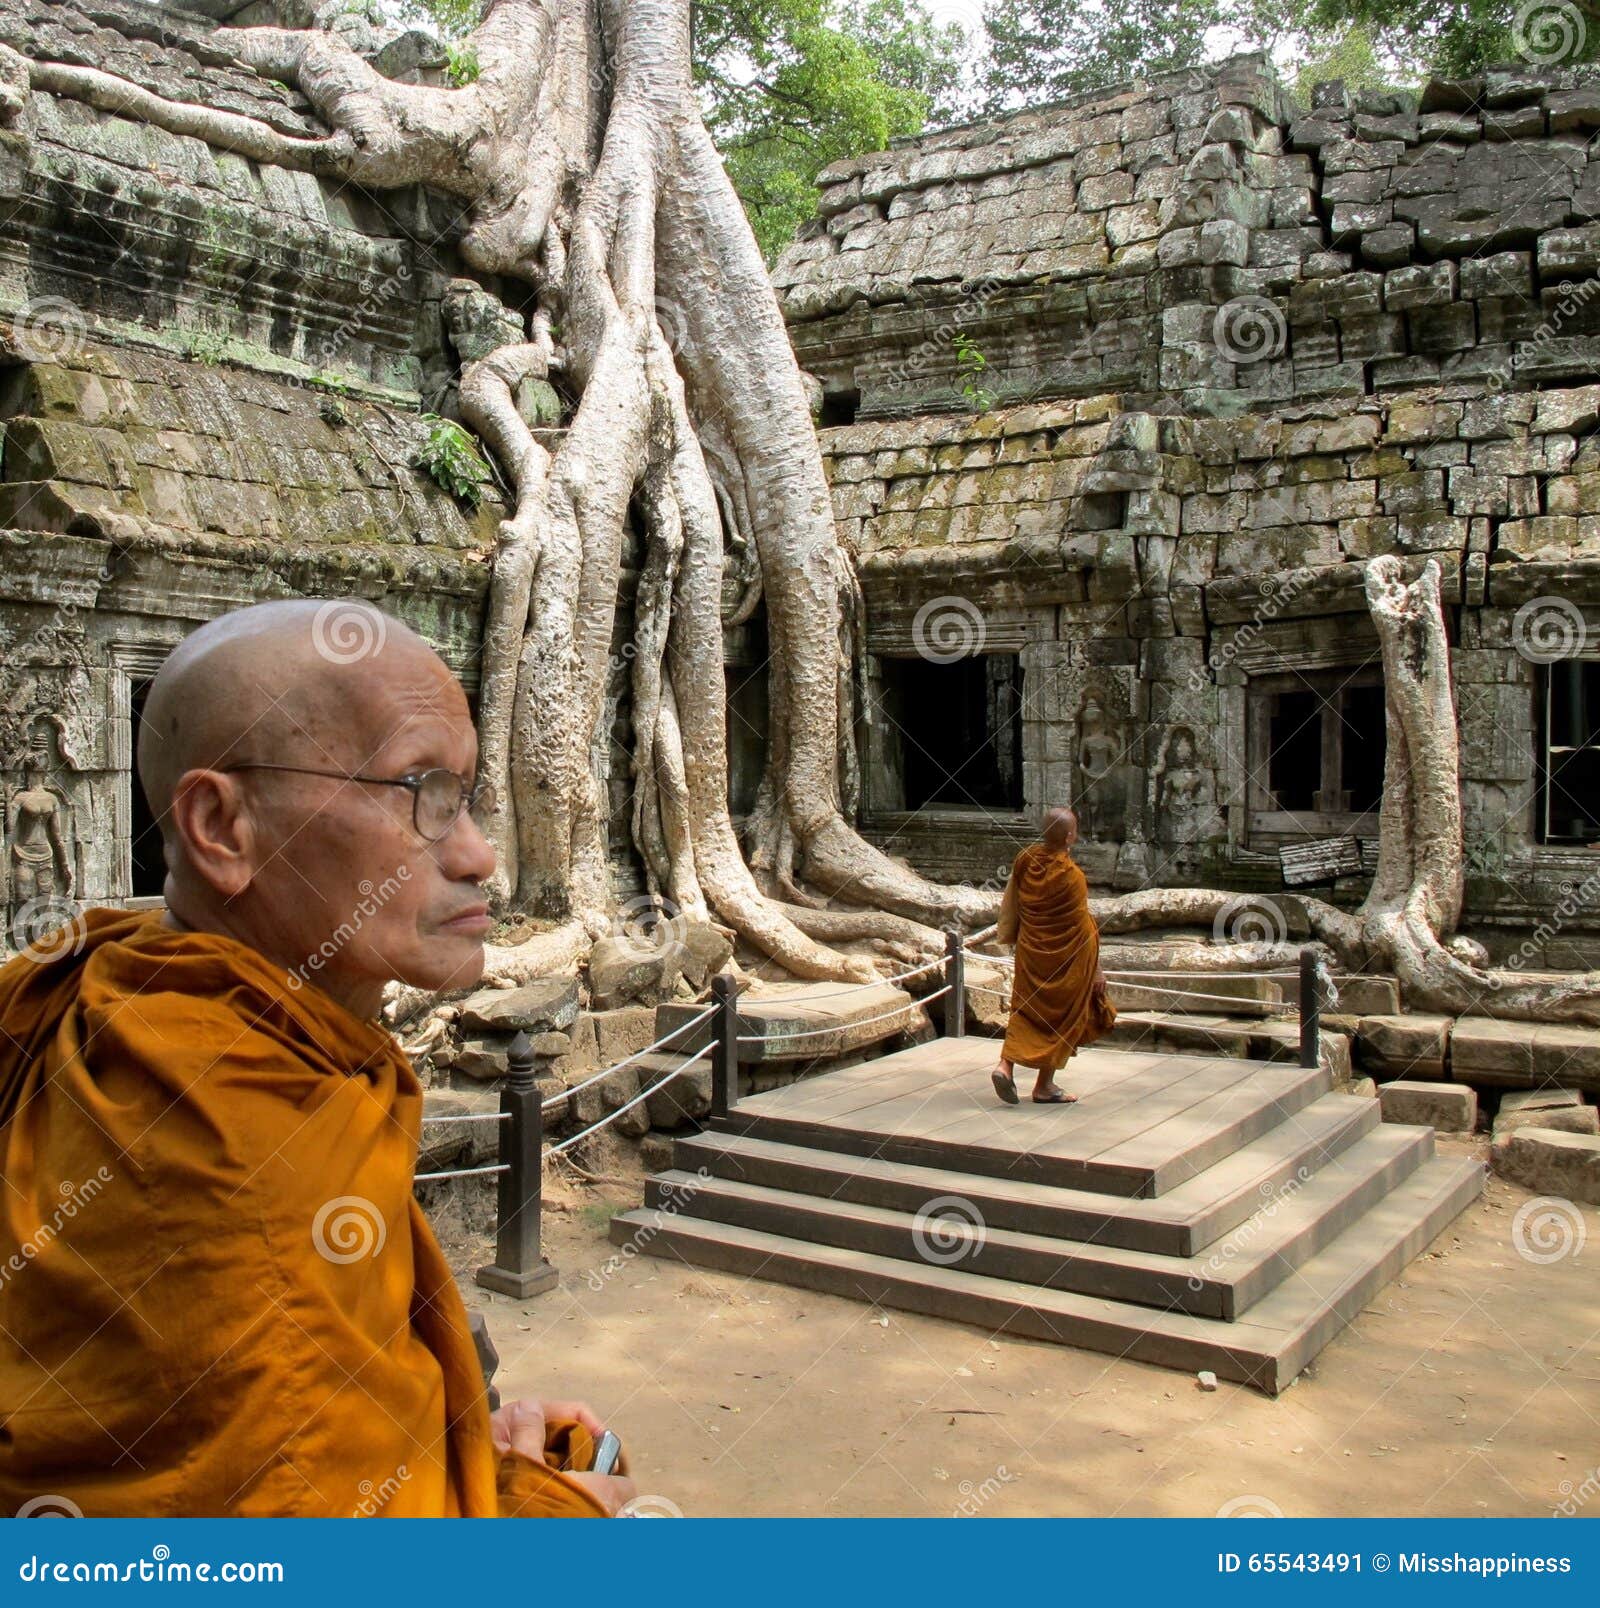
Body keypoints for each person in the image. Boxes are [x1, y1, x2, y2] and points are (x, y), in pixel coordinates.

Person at [0, 599, 639, 1518]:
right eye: (420, 793)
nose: (478, 855)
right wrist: (566, 1512)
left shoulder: (145, 981)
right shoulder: (233, 1153)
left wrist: (455, 1438)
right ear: (223, 828)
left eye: (463, 798)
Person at [991, 806, 1115, 1106]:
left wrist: (1009, 936)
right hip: (1067, 962)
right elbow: (1081, 926)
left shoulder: (1026, 859)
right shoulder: (1072, 877)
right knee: (1063, 1019)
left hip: (1031, 954)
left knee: (1024, 1011)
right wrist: (1096, 969)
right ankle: (1043, 1086)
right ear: (1070, 837)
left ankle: (1005, 1066)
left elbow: (1012, 901)